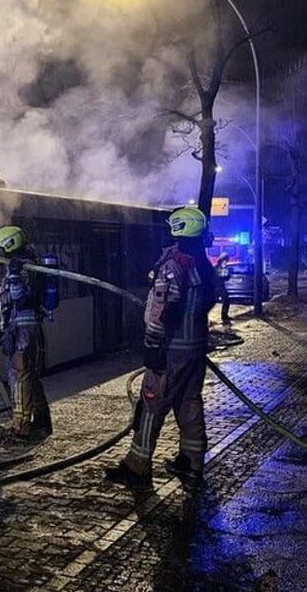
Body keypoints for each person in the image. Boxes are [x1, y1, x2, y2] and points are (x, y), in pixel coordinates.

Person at [105, 206, 216, 491]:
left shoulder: (173, 265)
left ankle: (136, 466)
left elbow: (163, 309)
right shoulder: (202, 263)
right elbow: (209, 301)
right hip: (195, 350)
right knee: (190, 404)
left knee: (151, 405)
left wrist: (152, 344)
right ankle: (192, 462)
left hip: (171, 352)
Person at [0, 226, 53, 441]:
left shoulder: (24, 268)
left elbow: (18, 298)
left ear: (10, 245)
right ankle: (43, 420)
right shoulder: (18, 266)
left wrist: (16, 275)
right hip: (17, 327)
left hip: (23, 329)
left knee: (19, 377)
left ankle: (21, 427)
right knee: (28, 375)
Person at [214, 253, 232, 325]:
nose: (226, 262)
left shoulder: (224, 267)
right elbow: (215, 277)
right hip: (216, 287)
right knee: (211, 302)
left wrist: (227, 274)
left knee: (226, 300)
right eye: (225, 260)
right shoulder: (216, 267)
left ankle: (224, 316)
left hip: (221, 286)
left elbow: (226, 278)